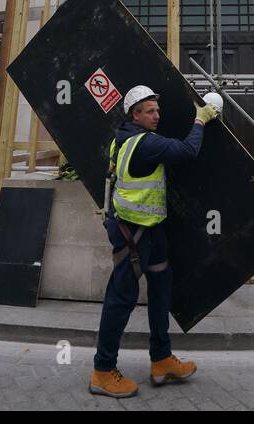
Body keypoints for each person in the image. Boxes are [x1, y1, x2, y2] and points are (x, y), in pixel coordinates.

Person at [89, 85, 221, 399]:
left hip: (151, 232)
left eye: (157, 110)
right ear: (135, 115)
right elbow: (188, 152)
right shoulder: (144, 144)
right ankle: (102, 371)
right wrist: (201, 119)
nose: (157, 116)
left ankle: (161, 359)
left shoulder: (119, 140)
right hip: (134, 236)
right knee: (120, 301)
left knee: (162, 289)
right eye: (150, 111)